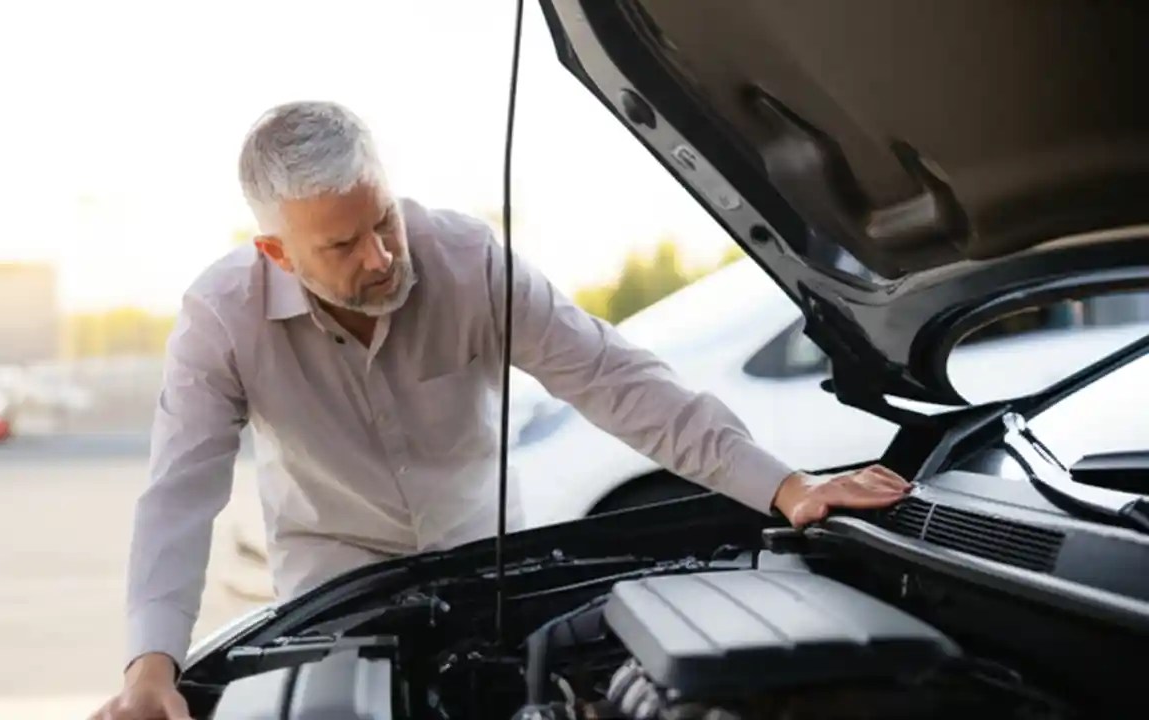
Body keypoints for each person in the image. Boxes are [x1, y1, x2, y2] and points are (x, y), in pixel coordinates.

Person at [90, 100, 910, 720]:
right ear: (275, 250)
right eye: (340, 246)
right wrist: (150, 666)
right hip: (339, 585)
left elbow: (615, 380)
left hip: (491, 563)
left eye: (382, 221)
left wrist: (785, 486)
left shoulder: (468, 261)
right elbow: (178, 494)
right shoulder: (221, 318)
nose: (379, 259)